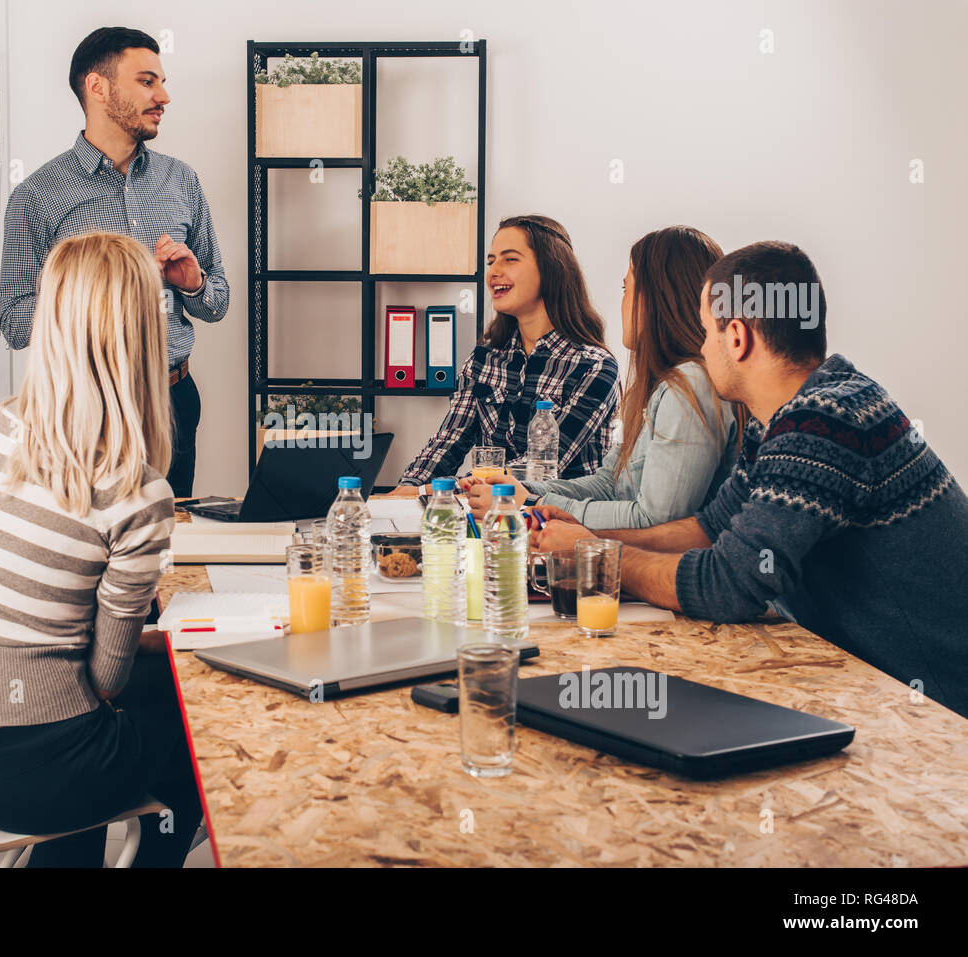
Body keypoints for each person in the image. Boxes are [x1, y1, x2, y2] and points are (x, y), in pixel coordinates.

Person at [536, 241, 968, 717]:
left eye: (706, 332)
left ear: (737, 337)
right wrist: (590, 537)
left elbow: (730, 583)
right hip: (874, 690)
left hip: (939, 713)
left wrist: (596, 559)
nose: (701, 348)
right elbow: (709, 528)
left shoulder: (825, 422)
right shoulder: (783, 420)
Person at [0, 232, 202, 867]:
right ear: (142, 333)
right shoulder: (135, 492)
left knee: (98, 713)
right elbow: (106, 679)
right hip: (38, 777)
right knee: (193, 737)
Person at [0, 26, 228, 498]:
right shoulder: (37, 196)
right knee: (90, 536)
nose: (163, 96)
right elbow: (17, 322)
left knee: (170, 540)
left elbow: (217, 302)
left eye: (162, 82)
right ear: (97, 87)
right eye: (147, 81)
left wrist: (192, 284)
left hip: (173, 399)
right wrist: (93, 296)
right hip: (85, 405)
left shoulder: (180, 180)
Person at [464, 226, 745, 522]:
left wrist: (534, 503)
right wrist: (525, 490)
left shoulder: (691, 386)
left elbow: (654, 519)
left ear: (658, 298)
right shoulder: (661, 387)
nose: (622, 302)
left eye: (627, 290)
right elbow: (609, 484)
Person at [391, 215, 619, 493]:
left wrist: (454, 485)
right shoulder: (483, 359)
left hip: (558, 522)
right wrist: (409, 486)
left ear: (551, 269)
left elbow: (542, 467)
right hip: (487, 516)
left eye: (510, 259)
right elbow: (449, 439)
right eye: (491, 261)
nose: (493, 272)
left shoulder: (594, 366)